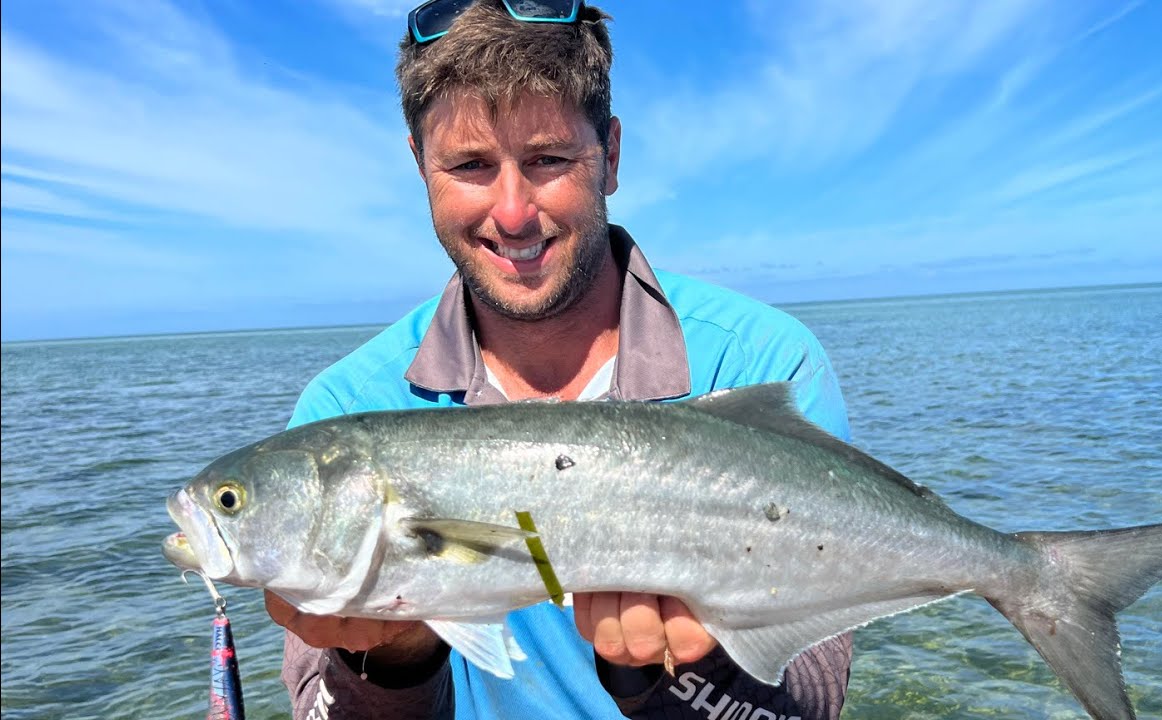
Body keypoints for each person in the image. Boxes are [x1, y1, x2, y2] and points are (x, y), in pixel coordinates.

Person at [266, 1, 855, 718]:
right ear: (420, 165)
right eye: (471, 165)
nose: (513, 213)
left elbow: (812, 699)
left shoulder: (760, 361)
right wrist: (397, 655)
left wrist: (658, 676)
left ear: (610, 156)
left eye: (547, 159)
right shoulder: (346, 409)